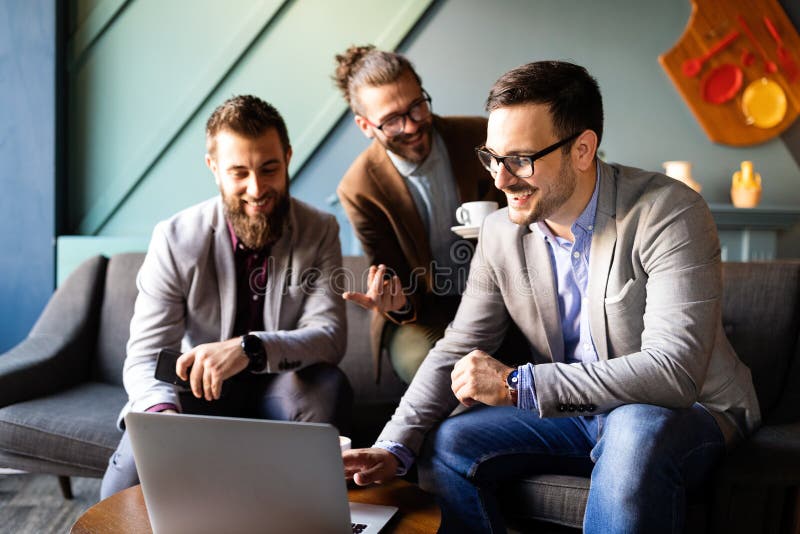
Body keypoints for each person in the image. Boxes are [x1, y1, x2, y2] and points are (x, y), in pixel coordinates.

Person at [342, 61, 760, 533]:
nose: (499, 180)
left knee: (632, 433)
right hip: (577, 414)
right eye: (492, 158)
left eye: (520, 159)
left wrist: (522, 386)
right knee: (448, 443)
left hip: (687, 410)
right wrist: (393, 444)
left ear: (582, 149)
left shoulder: (669, 212)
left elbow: (672, 372)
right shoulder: (500, 232)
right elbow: (457, 346)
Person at [101, 95, 352, 498]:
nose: (257, 189)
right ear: (213, 168)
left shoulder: (320, 229)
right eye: (239, 173)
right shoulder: (174, 237)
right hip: (195, 394)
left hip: (279, 387)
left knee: (327, 386)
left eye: (269, 168)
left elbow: (329, 336)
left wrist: (249, 348)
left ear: (287, 158)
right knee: (125, 481)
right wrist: (164, 420)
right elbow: (147, 356)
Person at [334, 45, 507, 384]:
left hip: (500, 297)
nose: (412, 126)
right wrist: (396, 301)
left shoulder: (481, 137)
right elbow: (391, 273)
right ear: (365, 126)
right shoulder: (359, 188)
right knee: (429, 370)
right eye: (392, 121)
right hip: (422, 313)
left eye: (417, 106)